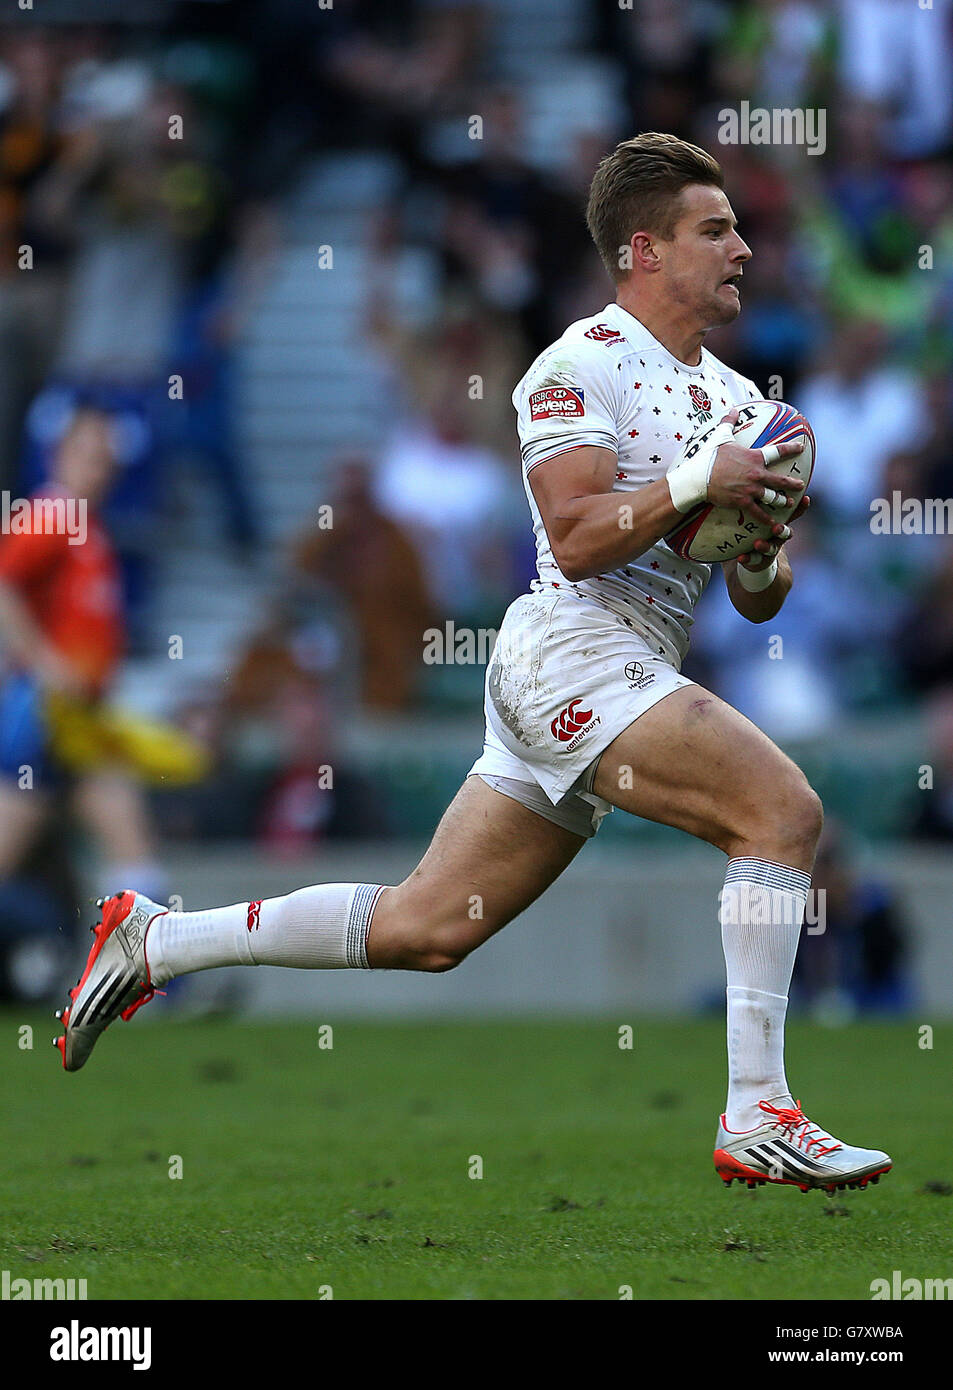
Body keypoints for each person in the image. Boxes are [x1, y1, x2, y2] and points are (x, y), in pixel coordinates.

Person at [54, 134, 891, 1195]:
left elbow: (749, 597)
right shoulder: (574, 365)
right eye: (713, 230)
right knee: (780, 812)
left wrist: (762, 541)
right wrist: (693, 485)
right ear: (643, 249)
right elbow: (580, 537)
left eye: (735, 229)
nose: (741, 250)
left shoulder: (737, 403)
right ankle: (757, 1110)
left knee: (428, 926)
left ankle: (156, 941)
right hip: (568, 655)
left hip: (624, 667)